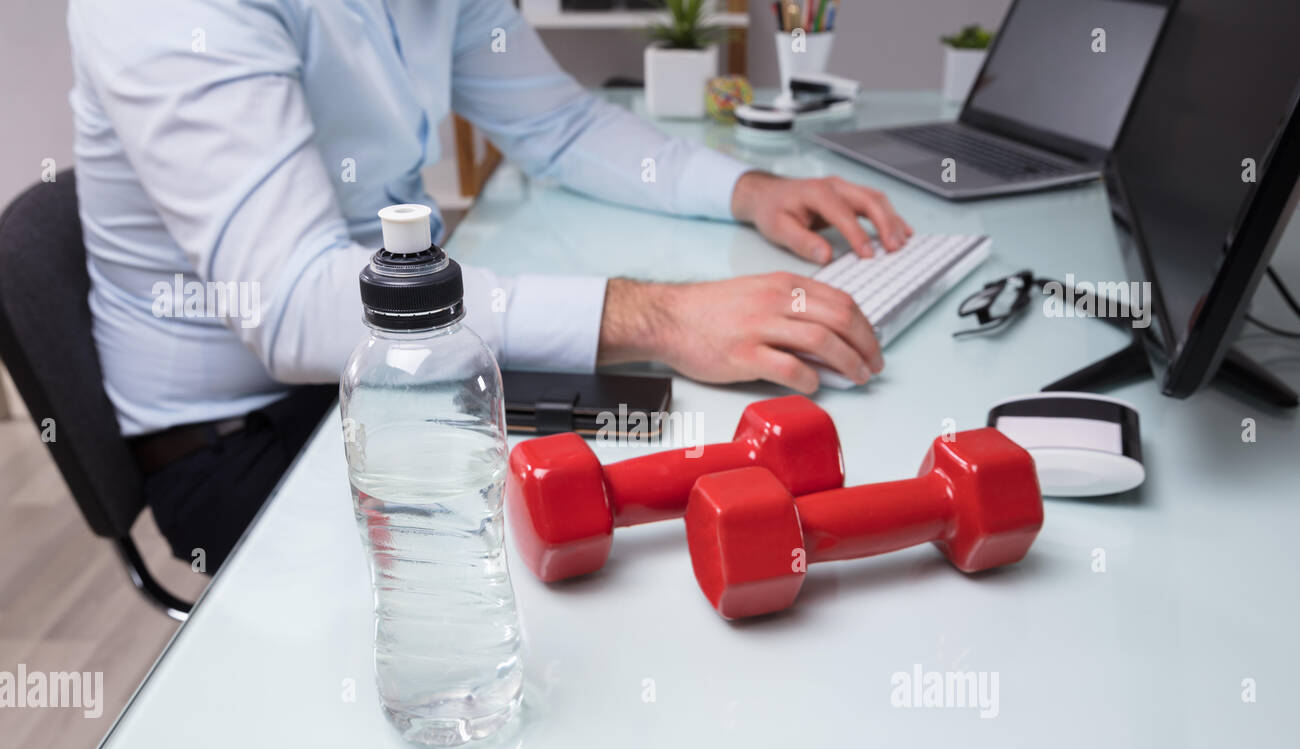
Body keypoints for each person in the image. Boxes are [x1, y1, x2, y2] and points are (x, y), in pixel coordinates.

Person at [67, 0, 911, 571]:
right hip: (249, 441)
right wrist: (660, 314)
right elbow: (290, 305)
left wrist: (746, 190)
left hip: (405, 374)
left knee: (685, 429)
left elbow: (557, 123)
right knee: (614, 547)